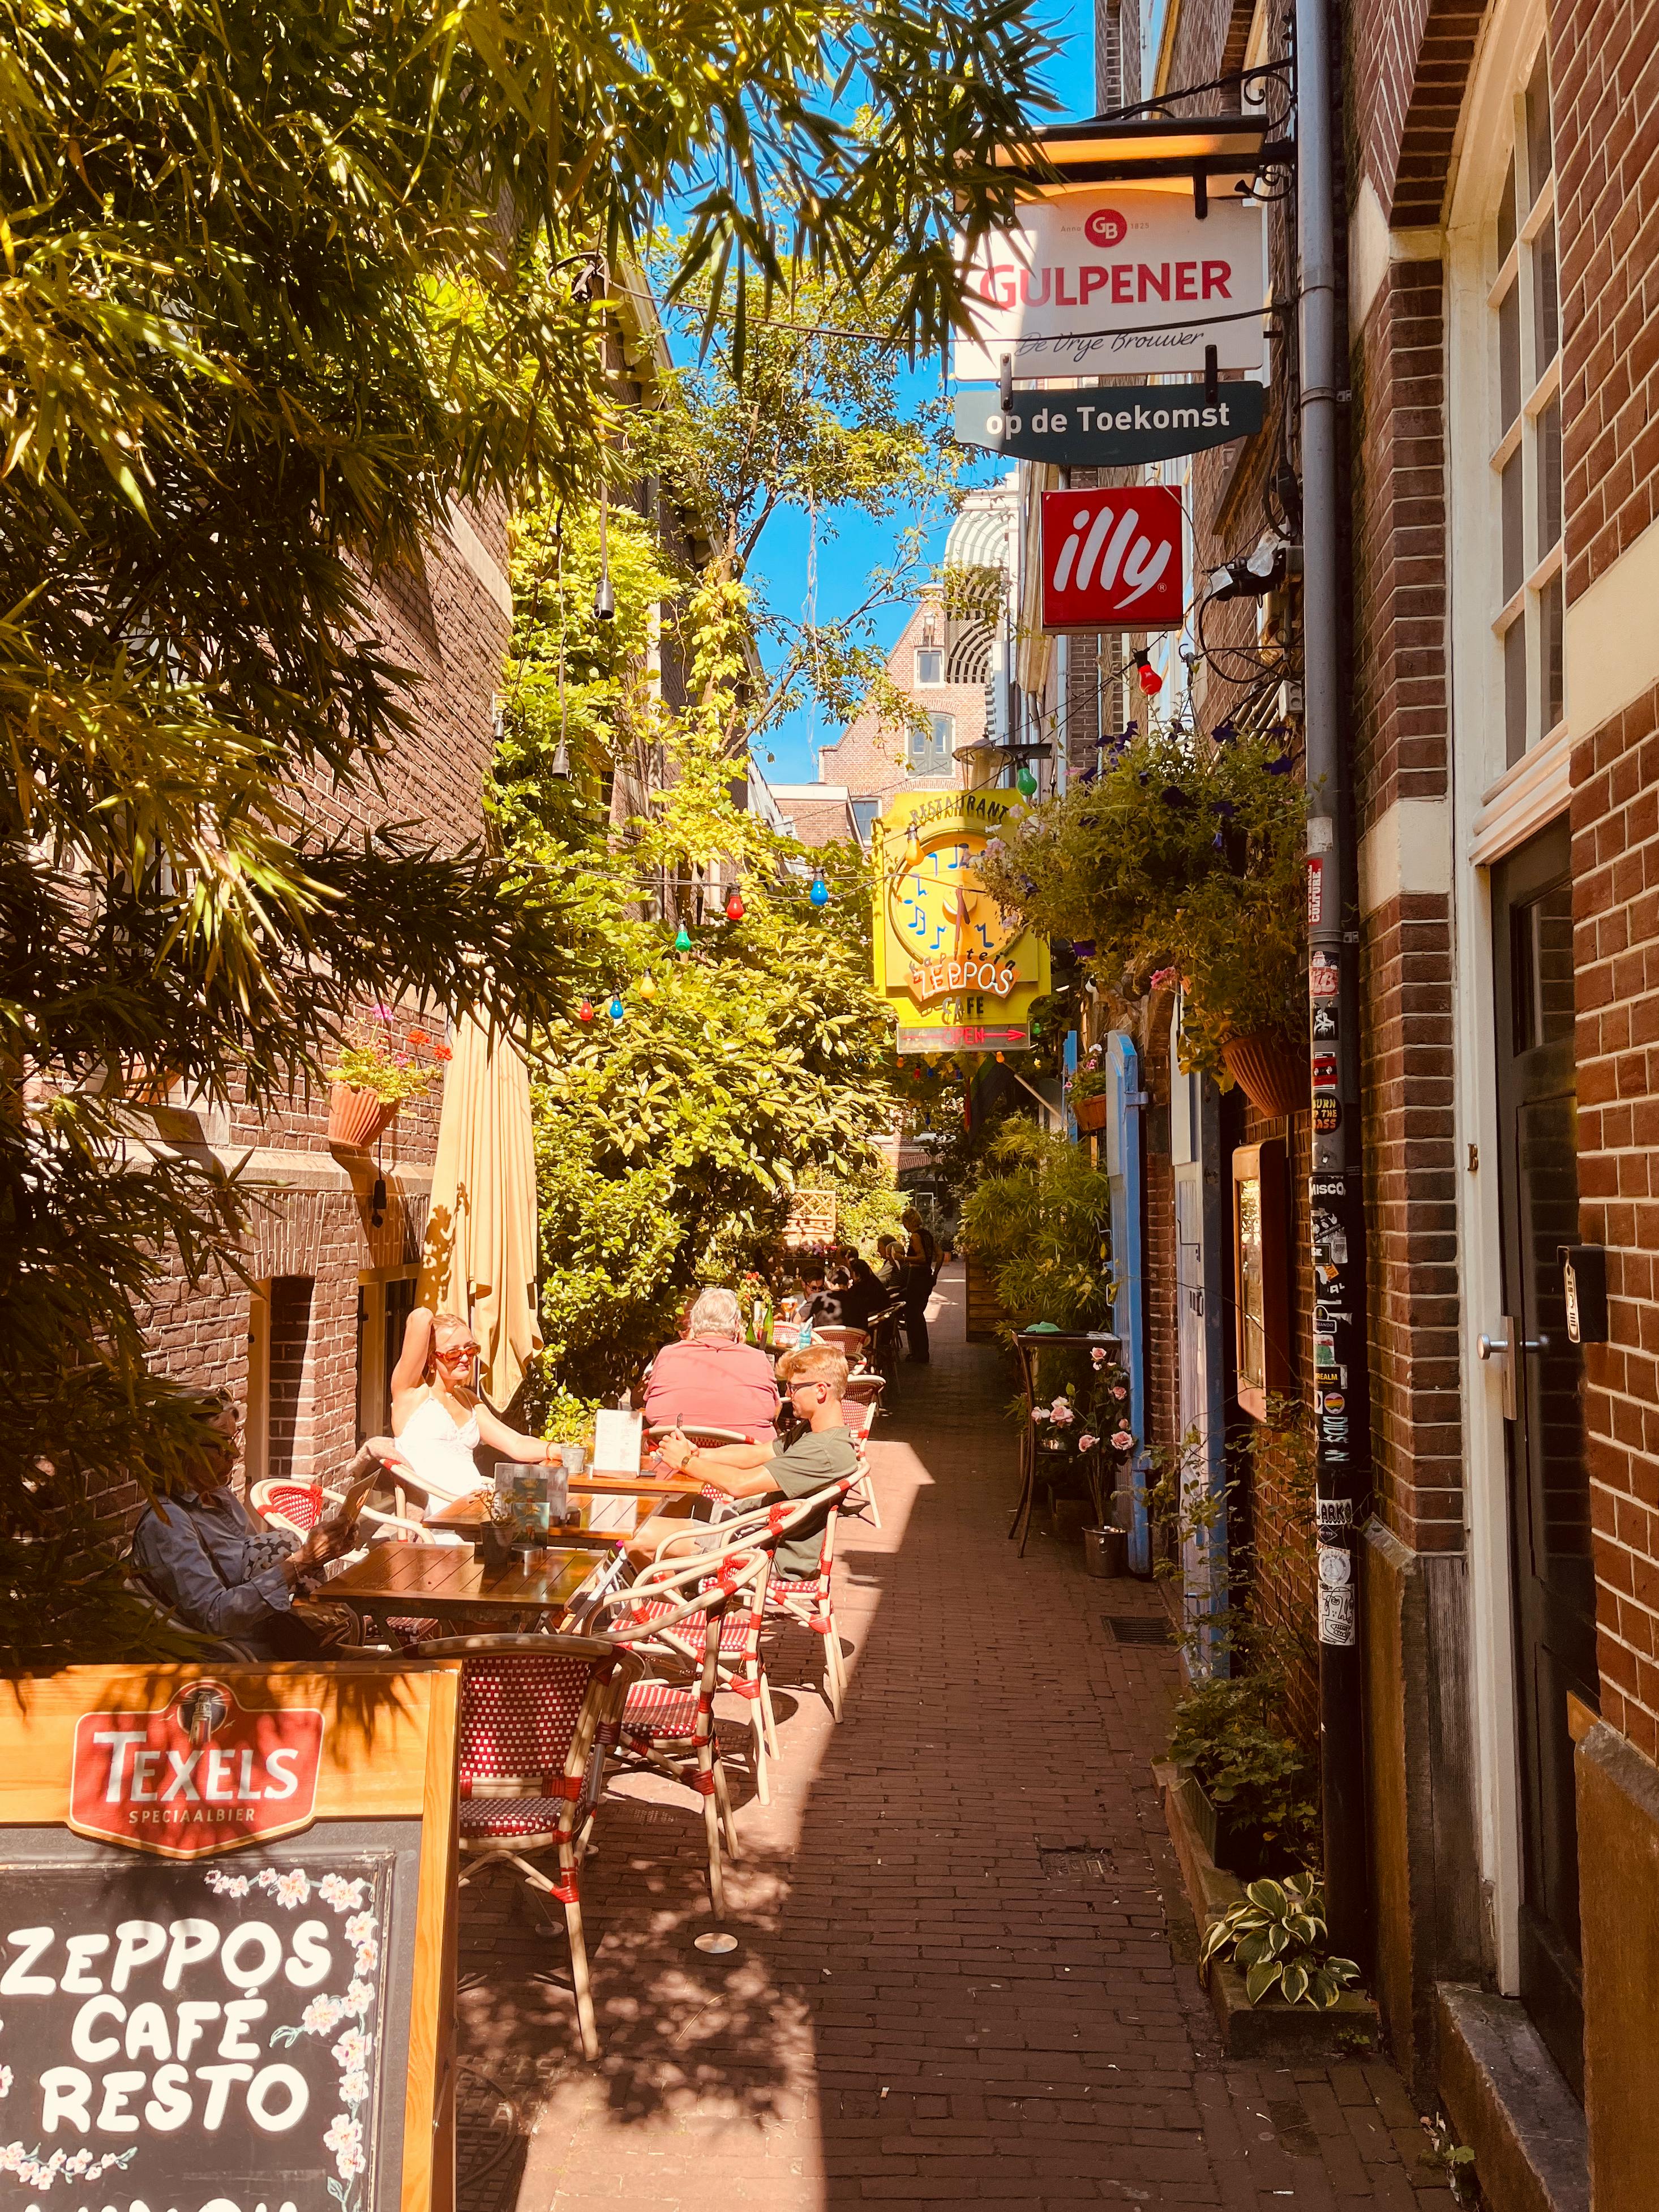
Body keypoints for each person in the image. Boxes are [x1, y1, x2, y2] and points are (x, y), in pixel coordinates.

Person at [131, 1395, 406, 1659]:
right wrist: (300, 1562)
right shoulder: (167, 1524)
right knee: (404, 1672)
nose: (235, 1454)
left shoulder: (219, 1497)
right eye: (221, 1444)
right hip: (253, 1662)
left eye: (234, 1440)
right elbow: (216, 1616)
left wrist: (323, 1553)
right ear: (181, 1450)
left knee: (404, 1665)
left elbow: (253, 1566)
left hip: (289, 1641)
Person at [637, 1344, 859, 1578]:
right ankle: (677, 1594)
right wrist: (699, 1455)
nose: (788, 1395)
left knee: (637, 1537)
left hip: (763, 1550)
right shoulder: (814, 1431)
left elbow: (741, 1484)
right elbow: (757, 1454)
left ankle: (670, 1606)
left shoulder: (825, 1452)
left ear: (821, 1391)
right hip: (751, 1524)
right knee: (671, 1506)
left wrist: (684, 1462)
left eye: (793, 1388)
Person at [390, 1308, 554, 1510]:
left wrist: (557, 1450)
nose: (465, 1358)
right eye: (453, 1353)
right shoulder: (411, 1395)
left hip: (477, 1505)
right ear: (432, 1359)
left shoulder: (467, 1399)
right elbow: (420, 1317)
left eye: (470, 1350)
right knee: (538, 1514)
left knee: (549, 1504)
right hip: (441, 1513)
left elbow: (516, 1444)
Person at [641, 1287, 781, 1442]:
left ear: (694, 1322)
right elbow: (774, 1410)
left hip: (675, 1458)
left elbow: (650, 1406)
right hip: (744, 1462)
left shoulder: (668, 1355)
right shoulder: (758, 1360)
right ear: (736, 1324)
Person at [901, 1207, 938, 1365]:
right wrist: (935, 1274)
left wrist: (903, 1258)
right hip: (926, 1277)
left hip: (916, 1276)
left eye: (905, 1223)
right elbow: (940, 1254)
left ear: (909, 1222)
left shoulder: (915, 1236)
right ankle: (922, 1352)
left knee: (914, 1316)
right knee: (918, 1315)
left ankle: (919, 1353)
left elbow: (921, 1258)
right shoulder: (928, 1235)